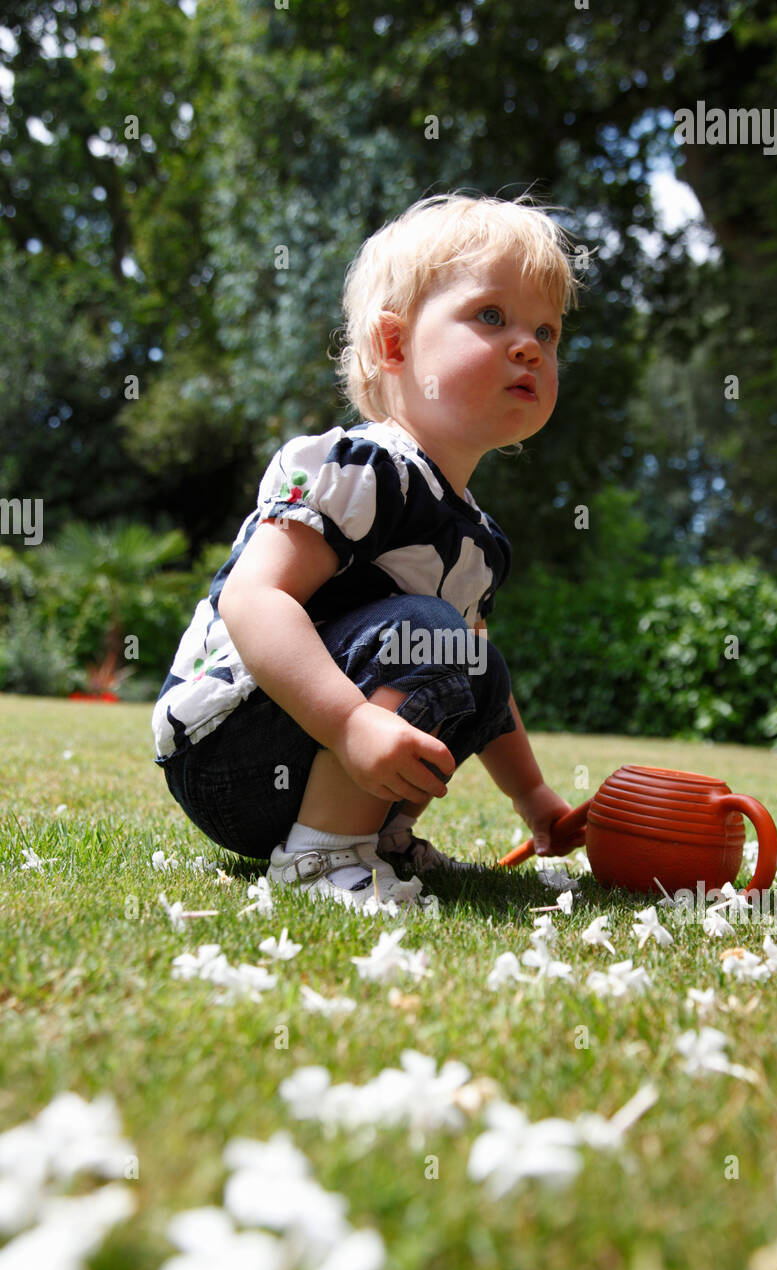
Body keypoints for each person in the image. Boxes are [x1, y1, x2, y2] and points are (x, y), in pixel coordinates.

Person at [152, 191, 582, 910]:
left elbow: (482, 687)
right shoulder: (357, 469)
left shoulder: (479, 542)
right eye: (490, 316)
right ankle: (322, 857)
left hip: (325, 756)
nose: (528, 344)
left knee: (476, 660)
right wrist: (349, 721)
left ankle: (373, 835)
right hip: (231, 752)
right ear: (394, 345)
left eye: (548, 329)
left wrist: (534, 798)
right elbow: (254, 598)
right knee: (430, 632)